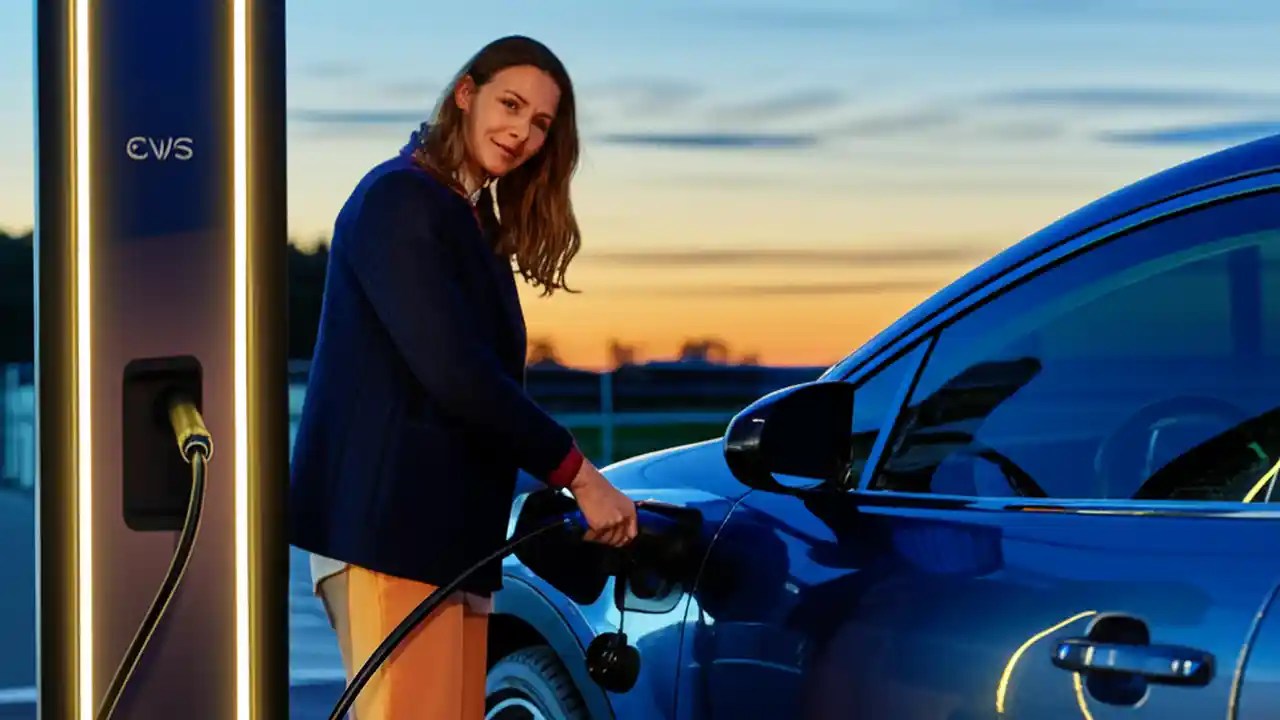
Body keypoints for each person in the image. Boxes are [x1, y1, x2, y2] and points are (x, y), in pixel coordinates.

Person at [288, 35, 639, 719]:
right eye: (511, 105)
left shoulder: (465, 216)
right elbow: (459, 374)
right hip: (392, 537)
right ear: (465, 94)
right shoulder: (399, 200)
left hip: (446, 542)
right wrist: (578, 474)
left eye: (541, 123)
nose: (523, 132)